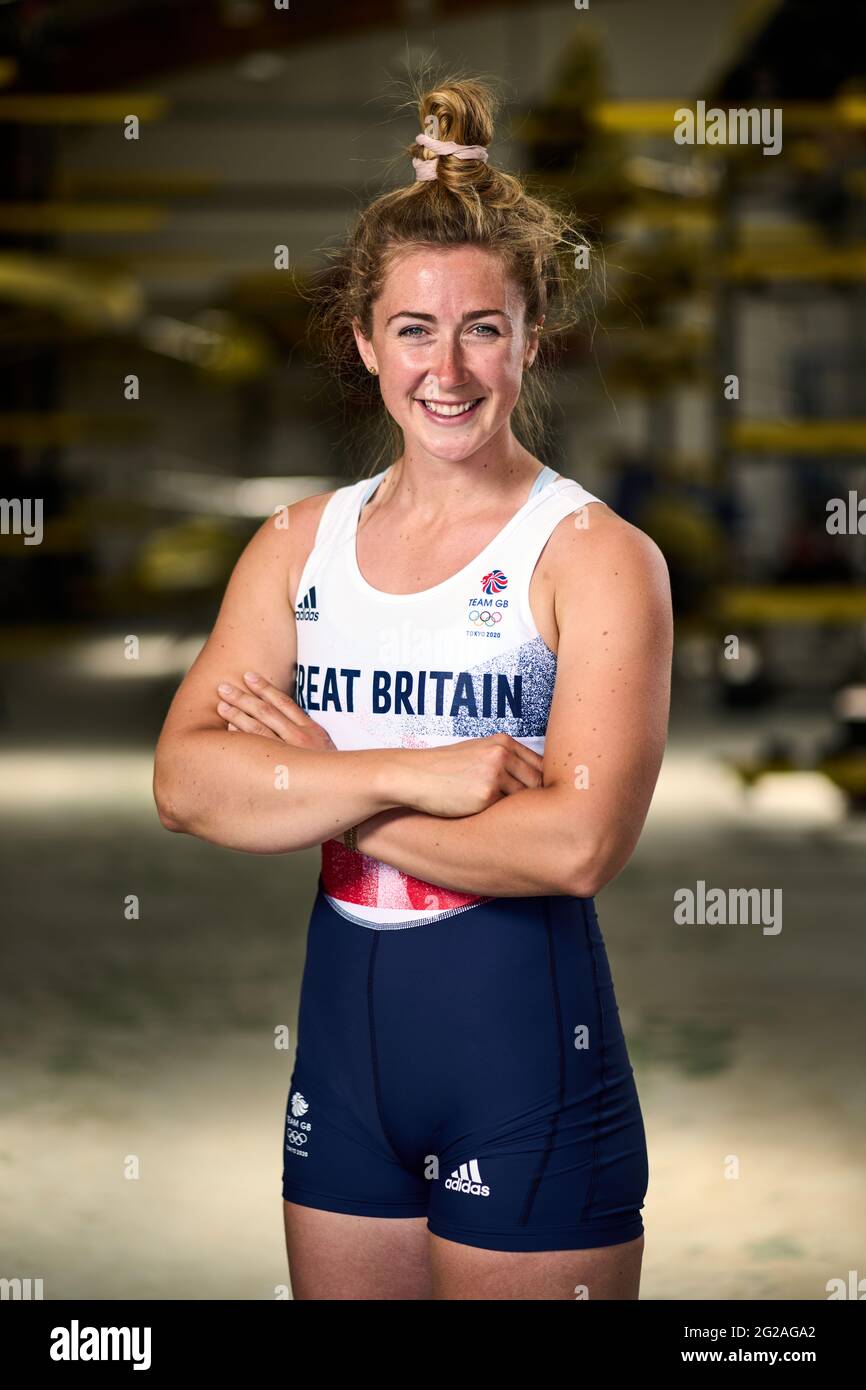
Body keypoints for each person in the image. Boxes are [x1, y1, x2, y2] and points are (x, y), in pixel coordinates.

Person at [153, 75, 673, 1301]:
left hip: (525, 1061)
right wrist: (415, 775)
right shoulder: (295, 546)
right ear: (362, 340)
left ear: (530, 339)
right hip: (339, 1072)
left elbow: (573, 844)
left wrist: (315, 787)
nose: (448, 369)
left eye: (482, 328)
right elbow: (185, 784)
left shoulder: (595, 557)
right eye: (413, 330)